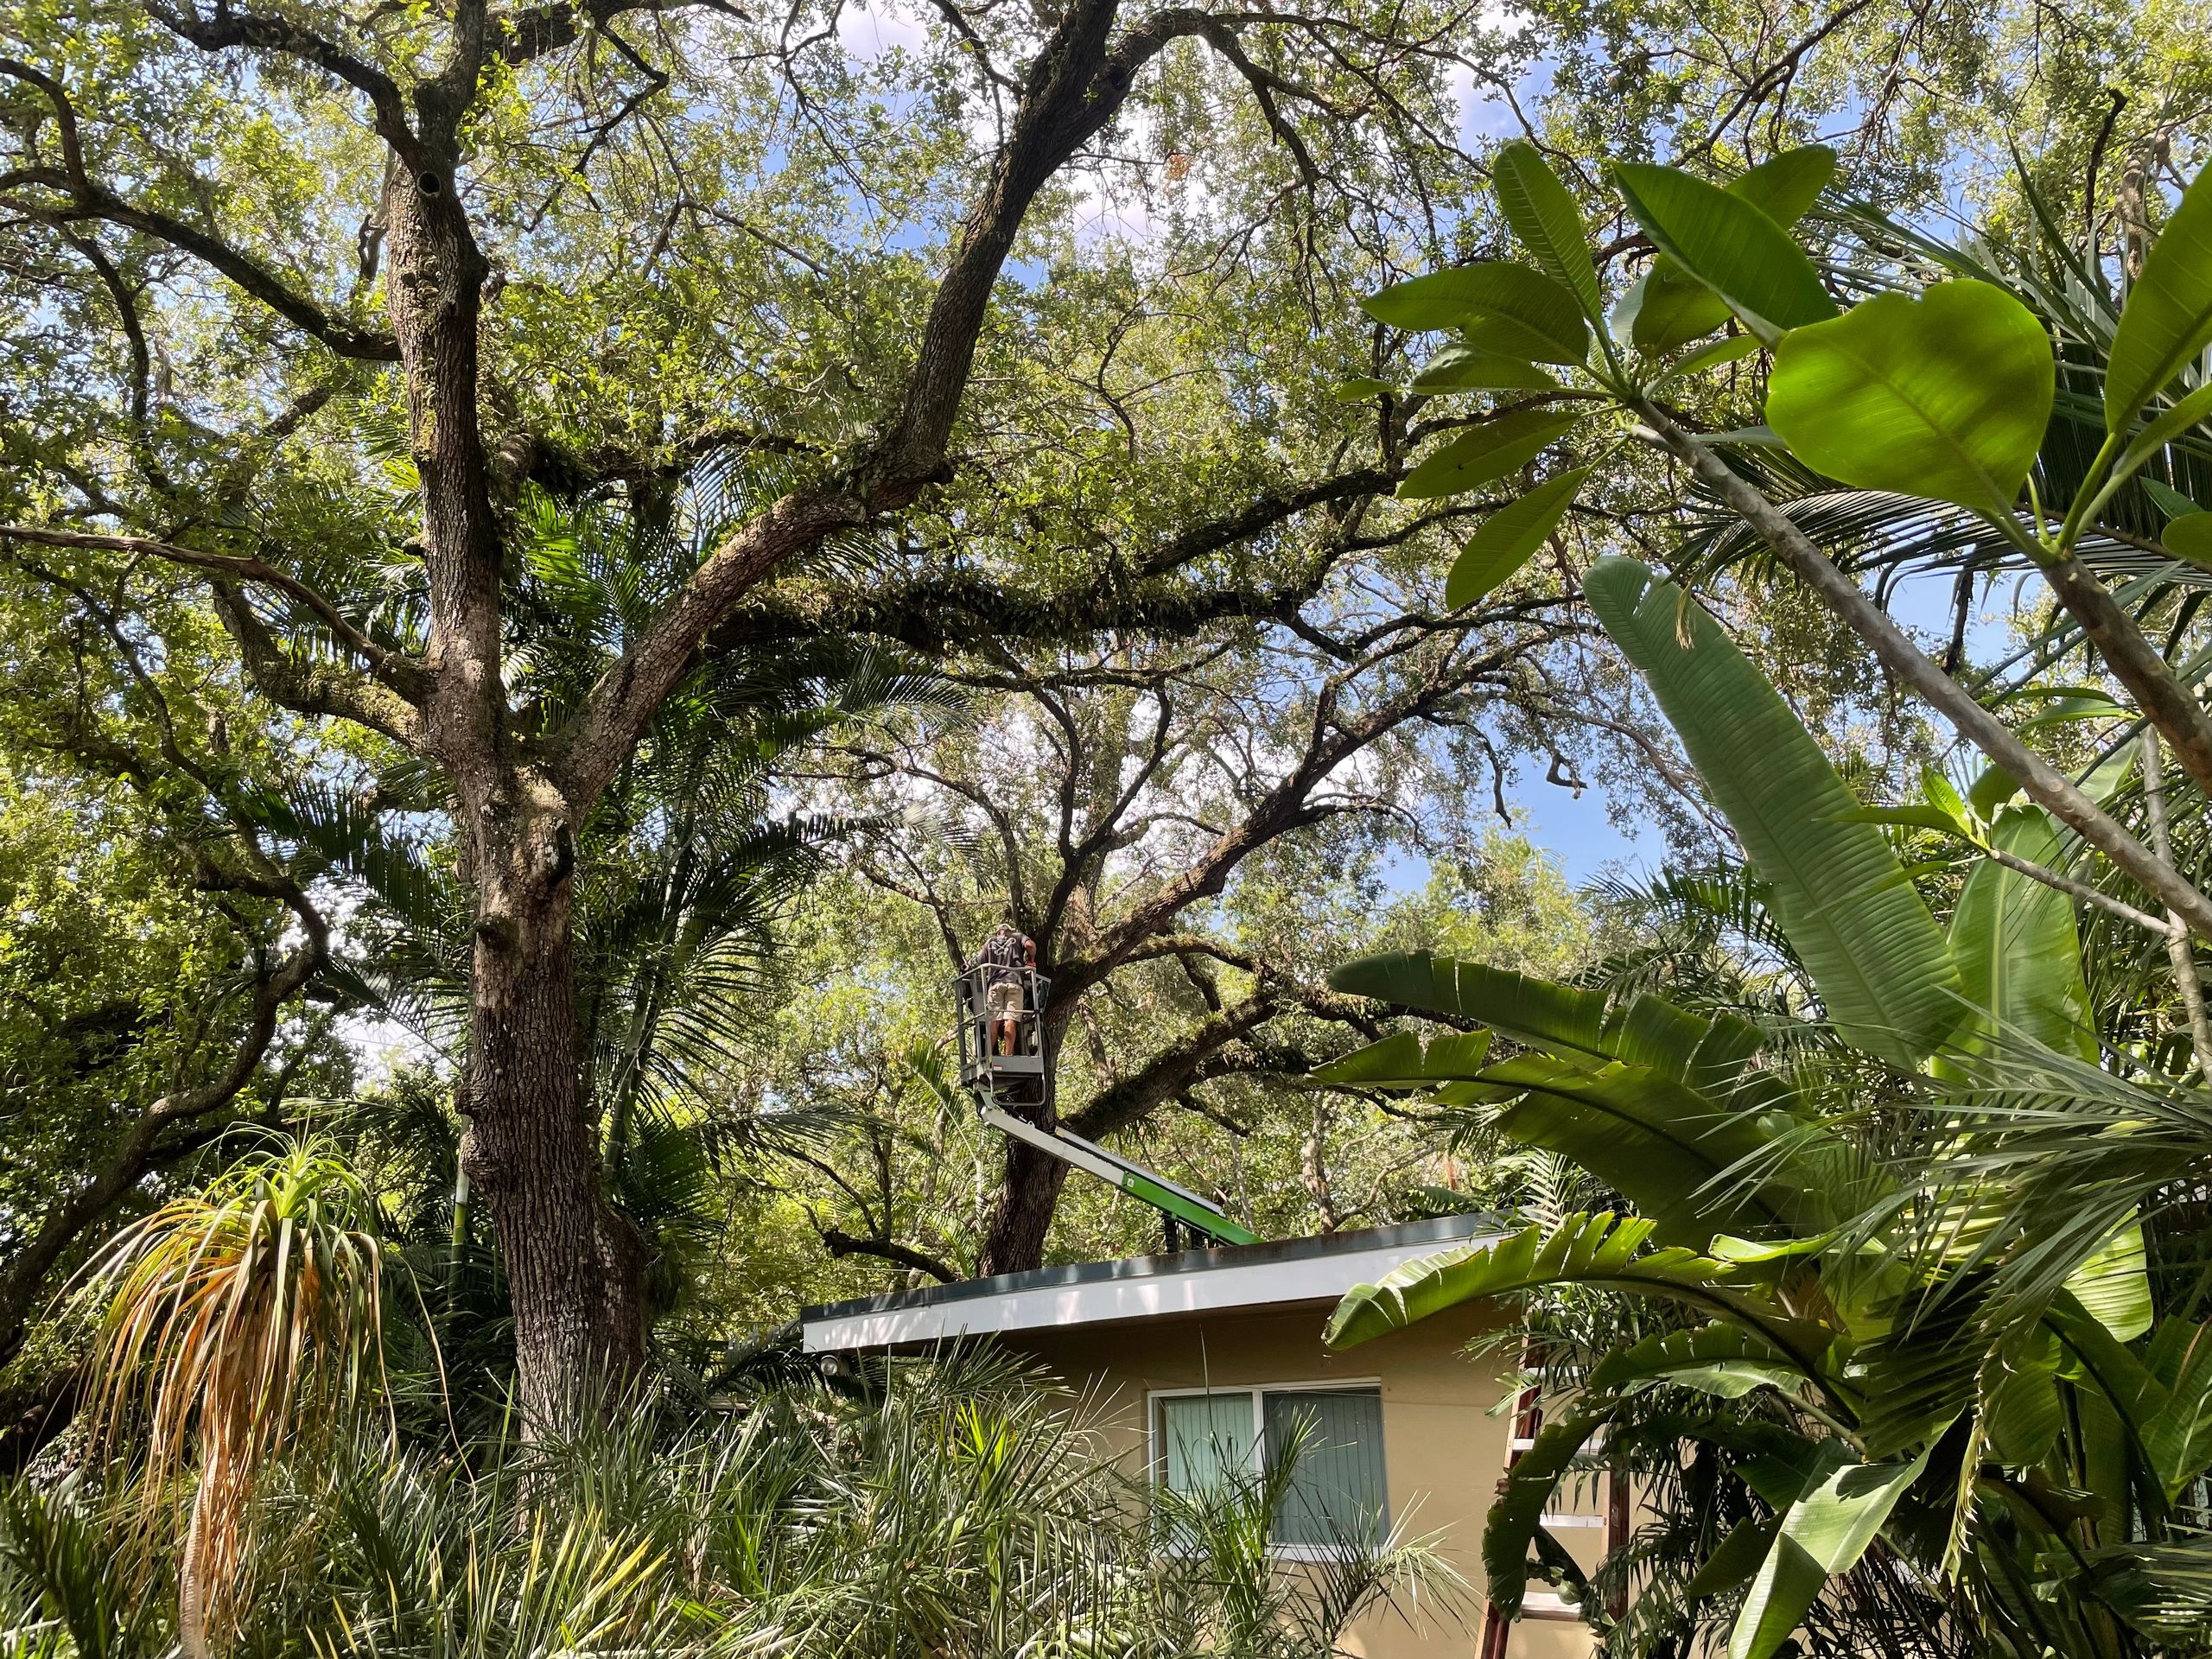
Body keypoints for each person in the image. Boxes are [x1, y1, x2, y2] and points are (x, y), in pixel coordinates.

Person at [974, 918, 1036, 1057]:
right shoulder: (1018, 936)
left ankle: (989, 1056)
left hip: (995, 984)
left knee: (994, 1020)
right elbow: (1030, 945)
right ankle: (1008, 1055)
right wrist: (1031, 960)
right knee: (1010, 1019)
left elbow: (980, 961)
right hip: (1014, 982)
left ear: (998, 933)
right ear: (1010, 931)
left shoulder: (990, 942)